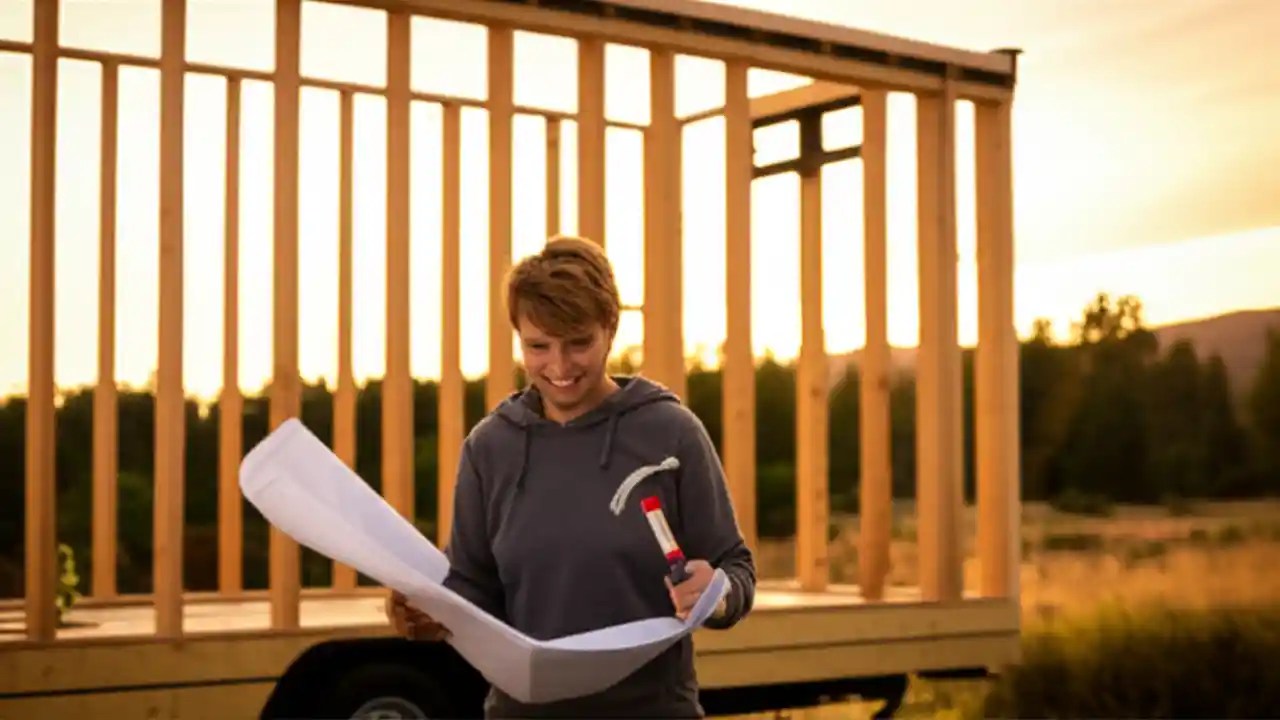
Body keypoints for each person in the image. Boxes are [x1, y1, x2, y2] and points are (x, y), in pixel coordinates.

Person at [386, 235, 756, 718]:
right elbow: (472, 587)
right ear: (518, 336)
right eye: (538, 346)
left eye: (579, 343)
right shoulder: (489, 447)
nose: (558, 367)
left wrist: (717, 594)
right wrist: (427, 616)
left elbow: (737, 569)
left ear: (610, 327)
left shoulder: (670, 433)